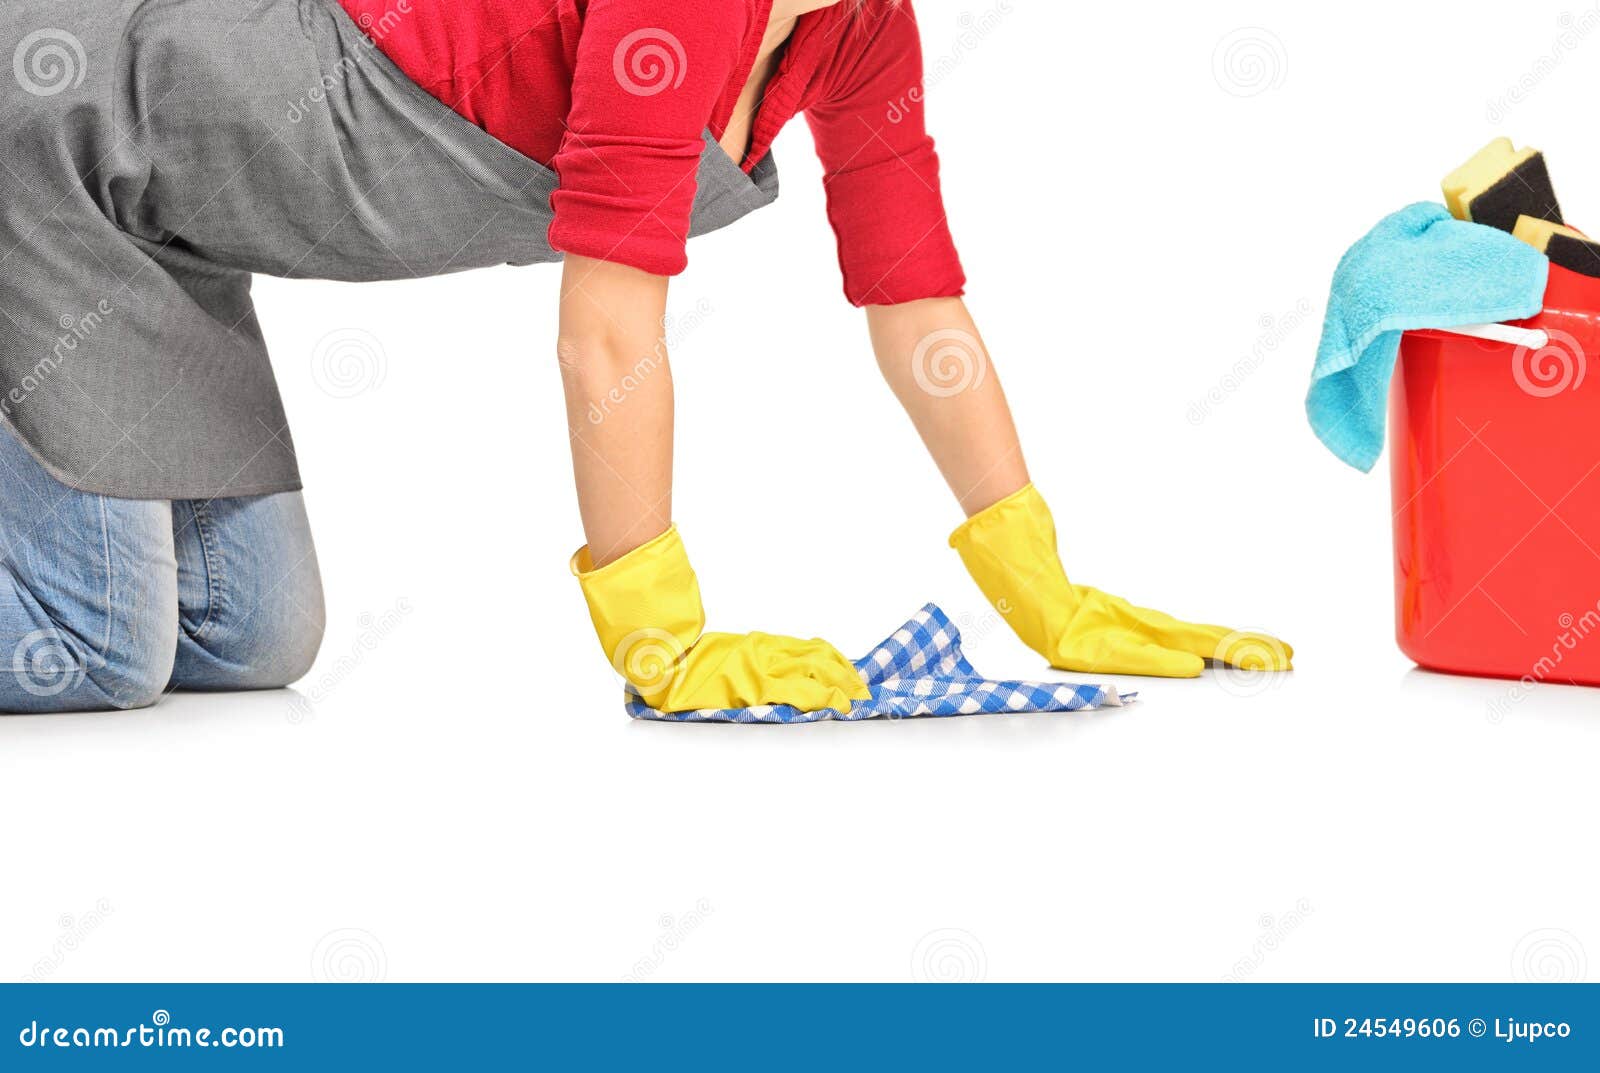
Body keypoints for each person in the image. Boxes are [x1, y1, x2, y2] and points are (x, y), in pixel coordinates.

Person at [0, 0, 1289, 714]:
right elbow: (606, 333)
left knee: (250, 642)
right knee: (101, 648)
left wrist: (1039, 579)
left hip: (155, 226)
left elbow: (917, 307)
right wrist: (655, 632)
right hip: (50, 138)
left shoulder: (857, 30)